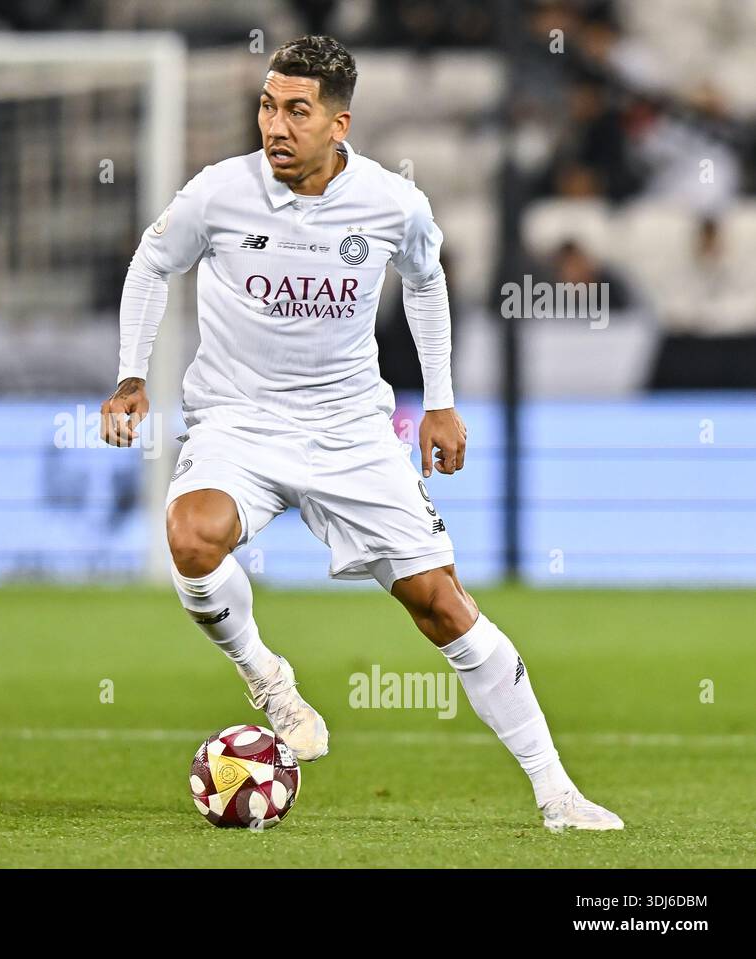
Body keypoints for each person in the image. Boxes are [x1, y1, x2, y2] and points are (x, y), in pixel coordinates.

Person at [100, 35, 622, 832]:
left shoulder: (392, 203)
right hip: (240, 421)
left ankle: (558, 793)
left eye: (296, 111)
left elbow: (426, 280)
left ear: (338, 123)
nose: (276, 125)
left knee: (442, 607)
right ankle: (266, 676)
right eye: (268, 105)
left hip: (350, 430)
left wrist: (440, 400)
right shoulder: (217, 193)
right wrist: (133, 373)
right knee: (191, 535)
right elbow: (149, 262)